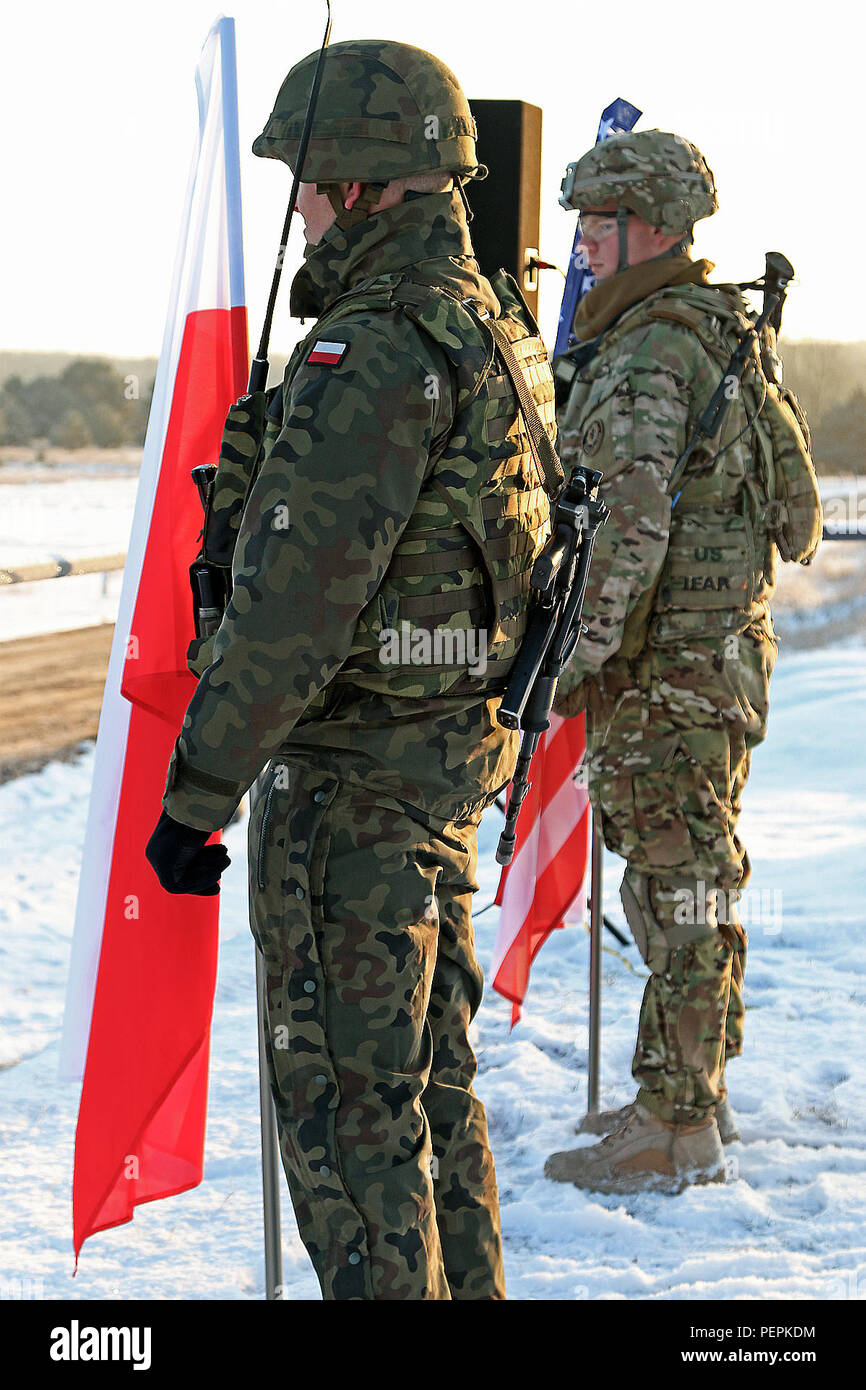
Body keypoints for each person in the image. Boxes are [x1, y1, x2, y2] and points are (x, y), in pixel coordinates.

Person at [145, 39, 559, 1299]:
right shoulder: (491, 325)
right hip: (436, 774)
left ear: (367, 182)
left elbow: (293, 613)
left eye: (310, 184)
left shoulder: (373, 348)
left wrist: (196, 797)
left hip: (351, 801)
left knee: (351, 1127)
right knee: (425, 1101)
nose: (300, 209)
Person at [544, 128, 817, 1194]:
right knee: (694, 883)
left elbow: (631, 525)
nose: (580, 245)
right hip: (718, 663)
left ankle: (673, 1123)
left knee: (674, 886)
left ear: (648, 227)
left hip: (664, 676)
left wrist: (569, 661)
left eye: (594, 225)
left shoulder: (652, 347)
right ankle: (687, 1093)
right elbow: (794, 519)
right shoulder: (725, 332)